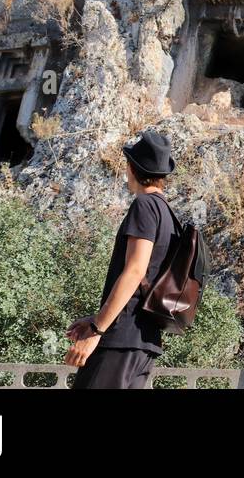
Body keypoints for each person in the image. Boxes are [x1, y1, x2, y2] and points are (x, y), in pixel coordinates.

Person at [66, 130, 178, 389]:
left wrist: (97, 330)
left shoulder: (145, 205)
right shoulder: (168, 215)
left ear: (131, 168)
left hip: (120, 340)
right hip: (144, 341)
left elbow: (136, 271)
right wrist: (95, 318)